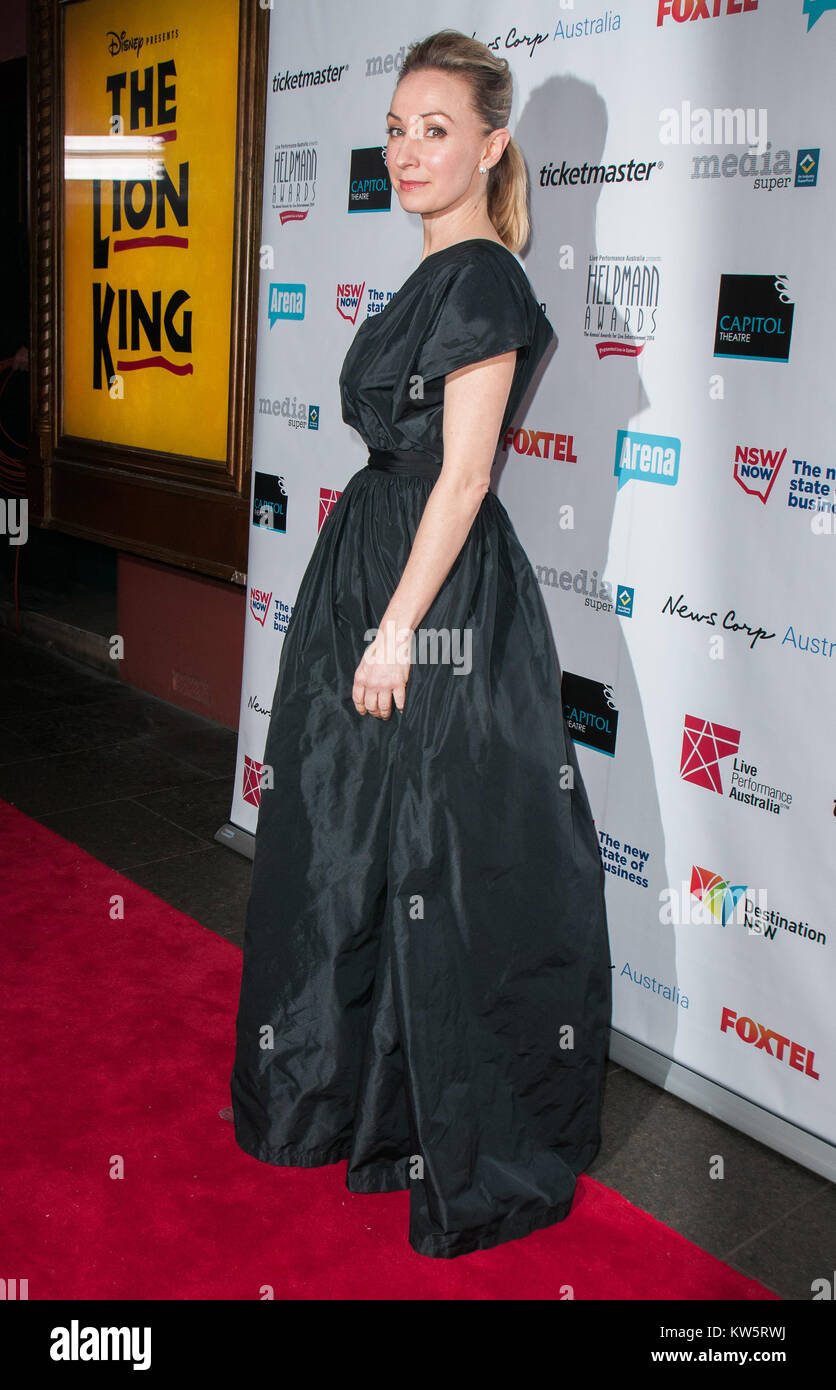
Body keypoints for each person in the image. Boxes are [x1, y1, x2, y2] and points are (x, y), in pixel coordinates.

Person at [229, 28, 613, 1260]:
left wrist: (395, 630)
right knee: (353, 837)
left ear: (490, 146)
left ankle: (435, 1122)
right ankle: (354, 1102)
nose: (405, 150)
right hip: (374, 566)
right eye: (396, 128)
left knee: (430, 851)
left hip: (431, 598)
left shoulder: (484, 278)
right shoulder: (433, 271)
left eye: (433, 129)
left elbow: (462, 478)